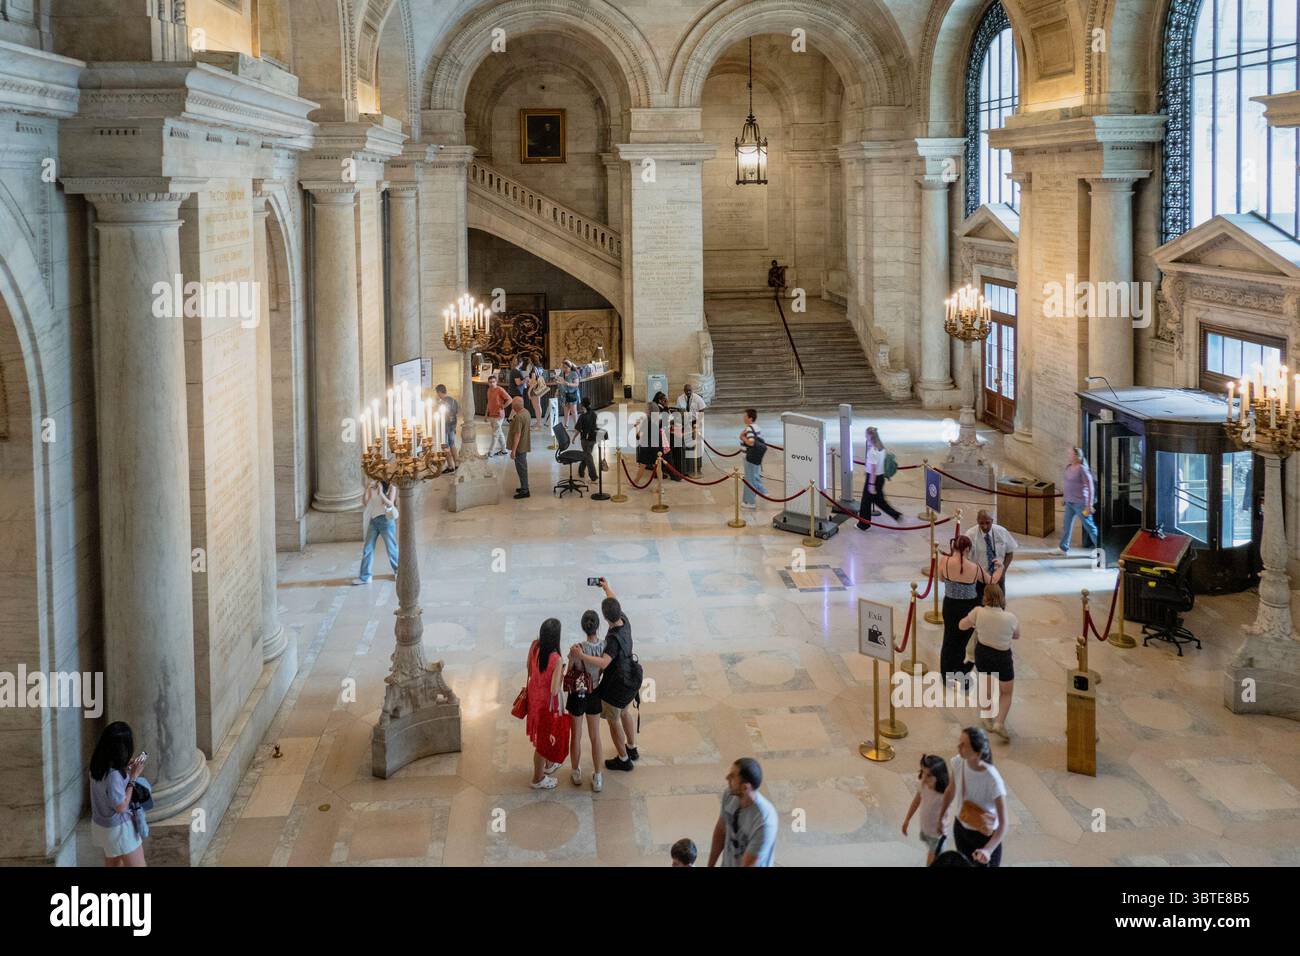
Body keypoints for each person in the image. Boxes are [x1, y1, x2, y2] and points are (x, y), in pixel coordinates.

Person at [569, 578, 639, 772]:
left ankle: (624, 759)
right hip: (632, 678)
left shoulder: (613, 640)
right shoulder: (624, 620)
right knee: (625, 712)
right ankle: (632, 747)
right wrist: (606, 587)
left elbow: (604, 663)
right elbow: (613, 600)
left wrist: (581, 655)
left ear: (606, 620)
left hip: (617, 685)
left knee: (613, 719)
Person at [938, 726, 1008, 866]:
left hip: (984, 837)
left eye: (964, 745)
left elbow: (1003, 823)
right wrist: (942, 815)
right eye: (960, 742)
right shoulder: (958, 763)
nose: (958, 747)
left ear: (977, 753)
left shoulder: (993, 780)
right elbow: (950, 791)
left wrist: (988, 850)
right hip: (961, 829)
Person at [960, 582, 1019, 741]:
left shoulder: (978, 612)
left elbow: (962, 626)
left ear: (985, 598)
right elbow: (1016, 635)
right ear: (1002, 598)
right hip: (1003, 657)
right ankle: (999, 723)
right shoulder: (1010, 617)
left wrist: (975, 623)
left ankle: (987, 719)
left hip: (983, 654)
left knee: (986, 689)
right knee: (1006, 692)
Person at [89, 722, 149, 867]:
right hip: (119, 829)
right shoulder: (114, 775)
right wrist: (133, 777)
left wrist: (125, 767)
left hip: (102, 826)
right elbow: (121, 806)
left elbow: (107, 789)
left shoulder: (96, 765)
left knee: (114, 864)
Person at [708, 757, 778, 867]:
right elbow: (721, 830)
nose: (727, 778)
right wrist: (710, 865)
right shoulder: (730, 795)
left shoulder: (764, 822)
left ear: (745, 787)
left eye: (732, 776)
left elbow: (749, 864)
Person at [937, 534, 987, 684]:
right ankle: (958, 671)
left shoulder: (945, 561)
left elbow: (940, 578)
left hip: (950, 606)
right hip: (967, 608)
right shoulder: (974, 567)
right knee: (961, 641)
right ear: (967, 549)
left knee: (948, 639)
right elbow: (990, 580)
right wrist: (1000, 568)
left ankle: (945, 674)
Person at [565, 609, 605, 792]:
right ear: (598, 626)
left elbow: (569, 673)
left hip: (578, 694)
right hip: (595, 692)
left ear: (583, 627)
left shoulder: (577, 649)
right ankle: (598, 776)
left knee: (577, 735)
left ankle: (576, 771)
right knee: (595, 736)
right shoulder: (604, 647)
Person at [525, 618, 568, 790]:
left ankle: (549, 764)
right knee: (542, 745)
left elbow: (529, 668)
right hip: (546, 706)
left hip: (534, 699)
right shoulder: (556, 659)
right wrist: (562, 673)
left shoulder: (534, 646)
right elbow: (554, 690)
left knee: (541, 740)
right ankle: (538, 778)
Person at [902, 754, 951, 865]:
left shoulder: (943, 795)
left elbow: (945, 813)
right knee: (932, 850)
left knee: (933, 859)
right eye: (923, 772)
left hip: (937, 834)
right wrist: (907, 819)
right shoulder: (923, 785)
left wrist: (941, 824)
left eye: (928, 775)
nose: (924, 778)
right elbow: (916, 801)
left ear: (939, 777)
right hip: (927, 829)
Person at [1054, 446, 1098, 556]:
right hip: (1070, 502)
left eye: (1070, 454)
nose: (1068, 456)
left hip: (1081, 503)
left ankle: (1100, 549)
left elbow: (1090, 486)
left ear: (1077, 456)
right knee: (1066, 526)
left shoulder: (1082, 469)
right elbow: (1067, 484)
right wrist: (1064, 498)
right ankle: (1063, 548)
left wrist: (1089, 505)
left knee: (1089, 526)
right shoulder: (1068, 467)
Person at [353, 478, 398, 584]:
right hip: (373, 521)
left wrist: (381, 493)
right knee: (368, 548)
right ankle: (365, 576)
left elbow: (390, 504)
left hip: (386, 521)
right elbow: (366, 502)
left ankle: (398, 571)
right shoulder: (373, 486)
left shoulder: (392, 486)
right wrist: (366, 490)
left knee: (391, 548)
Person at [856, 425, 902, 530]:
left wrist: (871, 485)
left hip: (873, 479)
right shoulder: (881, 448)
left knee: (865, 503)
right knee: (880, 501)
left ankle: (863, 524)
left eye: (866, 435)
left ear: (869, 437)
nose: (865, 437)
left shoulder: (873, 451)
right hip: (880, 478)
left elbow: (873, 469)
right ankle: (896, 515)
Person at [969, 509, 1016, 599]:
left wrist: (1003, 571)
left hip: (999, 576)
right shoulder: (971, 535)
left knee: (1000, 606)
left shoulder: (1002, 532)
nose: (985, 526)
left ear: (992, 521)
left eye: (987, 523)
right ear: (977, 522)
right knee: (980, 607)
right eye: (981, 523)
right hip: (980, 579)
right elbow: (966, 558)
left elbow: (1009, 553)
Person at [634, 394, 671, 484]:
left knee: (642, 465)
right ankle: (660, 486)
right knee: (657, 467)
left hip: (647, 447)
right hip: (657, 446)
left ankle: (635, 482)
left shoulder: (646, 420)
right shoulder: (657, 420)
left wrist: (637, 430)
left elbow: (639, 436)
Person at [675, 382, 707, 475]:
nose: (688, 392)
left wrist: (697, 424)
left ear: (692, 390)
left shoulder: (697, 398)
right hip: (685, 423)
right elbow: (678, 410)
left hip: (695, 422)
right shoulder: (680, 398)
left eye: (690, 390)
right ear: (684, 391)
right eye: (687, 391)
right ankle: (688, 465)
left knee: (697, 444)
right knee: (687, 443)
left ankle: (697, 466)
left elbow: (702, 411)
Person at [739, 408, 766, 510]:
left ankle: (750, 502)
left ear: (750, 418)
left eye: (745, 416)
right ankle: (761, 492)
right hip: (755, 457)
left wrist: (742, 438)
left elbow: (751, 442)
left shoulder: (750, 429)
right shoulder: (756, 427)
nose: (743, 417)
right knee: (753, 477)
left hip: (749, 458)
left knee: (749, 479)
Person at [507, 395, 531, 499]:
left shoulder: (519, 417)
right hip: (524, 444)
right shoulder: (526, 412)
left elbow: (517, 435)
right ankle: (524, 486)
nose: (512, 407)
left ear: (516, 407)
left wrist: (513, 451)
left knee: (521, 468)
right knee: (523, 467)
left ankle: (525, 490)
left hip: (520, 447)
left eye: (512, 405)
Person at [435, 383, 459, 473]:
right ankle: (456, 464)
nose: (437, 395)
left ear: (440, 392)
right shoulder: (453, 400)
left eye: (437, 393)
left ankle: (450, 466)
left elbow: (439, 416)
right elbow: (457, 412)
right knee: (452, 444)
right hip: (452, 426)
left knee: (445, 446)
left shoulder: (441, 403)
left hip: (444, 428)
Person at [485, 373, 511, 457]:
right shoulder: (489, 390)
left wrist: (503, 406)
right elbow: (488, 403)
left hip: (498, 416)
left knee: (495, 434)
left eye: (493, 382)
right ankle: (504, 450)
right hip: (491, 415)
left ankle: (491, 452)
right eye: (490, 382)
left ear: (496, 382)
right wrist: (486, 414)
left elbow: (510, 399)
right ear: (488, 383)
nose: (492, 383)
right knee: (499, 433)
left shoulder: (500, 390)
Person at [576, 397, 600, 481]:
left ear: (582, 405)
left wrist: (573, 438)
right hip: (593, 438)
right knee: (587, 455)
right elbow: (595, 425)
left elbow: (578, 429)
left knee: (588, 456)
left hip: (585, 440)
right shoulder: (594, 414)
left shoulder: (582, 417)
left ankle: (593, 476)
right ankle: (581, 471)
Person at [561, 360, 582, 429]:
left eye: (566, 367)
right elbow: (560, 383)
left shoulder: (574, 374)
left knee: (573, 411)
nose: (564, 369)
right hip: (565, 394)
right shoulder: (562, 373)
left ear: (570, 367)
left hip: (572, 394)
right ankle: (566, 425)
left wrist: (568, 384)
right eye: (563, 367)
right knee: (566, 410)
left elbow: (576, 384)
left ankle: (576, 427)